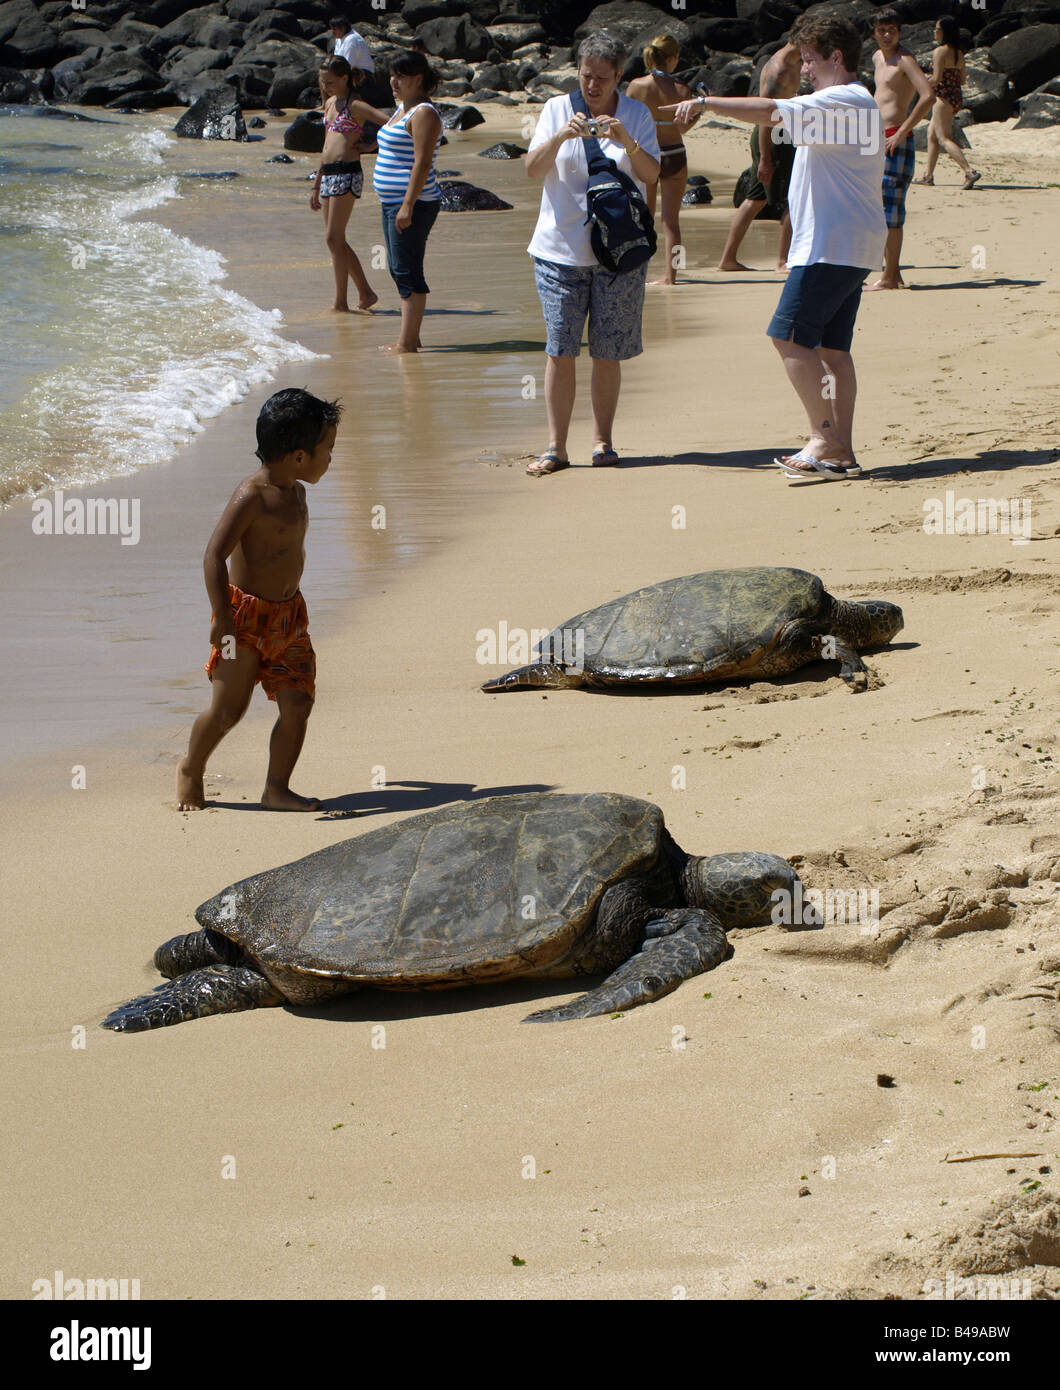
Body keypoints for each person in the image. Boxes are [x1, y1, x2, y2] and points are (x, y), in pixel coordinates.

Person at [666, 16, 885, 482]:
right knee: (832, 349)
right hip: (850, 243)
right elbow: (779, 109)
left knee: (787, 336)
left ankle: (823, 437)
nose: (804, 69)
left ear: (836, 58)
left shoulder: (843, 98)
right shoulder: (855, 102)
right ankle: (840, 453)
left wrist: (705, 101)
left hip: (831, 244)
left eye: (809, 60)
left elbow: (771, 109)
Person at [176, 389, 341, 813]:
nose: (331, 459)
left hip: (290, 618)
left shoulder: (297, 490)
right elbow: (214, 555)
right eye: (328, 450)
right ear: (299, 456)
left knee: (298, 702)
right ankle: (191, 770)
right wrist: (221, 618)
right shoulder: (252, 495)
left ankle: (276, 788)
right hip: (242, 621)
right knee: (229, 710)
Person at [524, 31, 660, 475]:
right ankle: (556, 447)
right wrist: (561, 136)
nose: (593, 86)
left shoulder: (636, 114)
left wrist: (627, 141)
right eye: (586, 76)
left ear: (620, 75)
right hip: (558, 252)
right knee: (560, 349)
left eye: (602, 78)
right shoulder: (556, 109)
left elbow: (653, 174)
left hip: (619, 254)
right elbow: (531, 170)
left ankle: (603, 442)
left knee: (607, 352)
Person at [354, 52, 443, 354]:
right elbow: (394, 141)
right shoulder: (402, 109)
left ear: (418, 79)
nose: (393, 81)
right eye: (392, 75)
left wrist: (407, 204)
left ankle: (407, 344)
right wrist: (370, 146)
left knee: (406, 270)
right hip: (393, 202)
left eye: (400, 76)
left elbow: (422, 161)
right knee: (397, 267)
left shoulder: (424, 113)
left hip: (413, 204)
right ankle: (410, 337)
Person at [716, 38, 801, 273]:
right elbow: (764, 115)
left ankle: (728, 259)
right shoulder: (780, 69)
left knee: (755, 199)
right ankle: (782, 261)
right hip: (773, 138)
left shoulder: (796, 63)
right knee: (790, 198)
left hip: (782, 136)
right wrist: (764, 158)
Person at [867, 9, 935, 290]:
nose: (886, 34)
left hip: (896, 140)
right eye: (881, 29)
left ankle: (890, 276)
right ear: (874, 31)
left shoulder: (905, 60)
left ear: (900, 31)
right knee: (878, 208)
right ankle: (890, 272)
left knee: (891, 211)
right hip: (877, 140)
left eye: (892, 29)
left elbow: (928, 96)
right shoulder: (876, 57)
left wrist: (903, 132)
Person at [309, 58, 378, 313]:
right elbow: (326, 147)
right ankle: (366, 294)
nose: (325, 86)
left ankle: (341, 302)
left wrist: (372, 145)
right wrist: (316, 184)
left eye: (330, 81)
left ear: (345, 78)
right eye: (323, 81)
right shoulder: (330, 103)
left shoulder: (355, 104)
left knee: (333, 237)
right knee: (334, 240)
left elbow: (391, 121)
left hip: (347, 173)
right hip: (328, 174)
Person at [625, 33, 691, 286]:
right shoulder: (682, 90)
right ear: (673, 58)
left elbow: (627, 122)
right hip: (675, 153)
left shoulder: (636, 87)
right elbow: (681, 129)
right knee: (671, 222)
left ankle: (637, 271)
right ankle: (671, 277)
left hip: (648, 154)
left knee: (645, 216)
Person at [917, 16, 981, 189]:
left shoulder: (940, 52)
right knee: (932, 135)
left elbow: (936, 79)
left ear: (944, 31)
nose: (934, 31)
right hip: (955, 98)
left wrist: (920, 82)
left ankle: (969, 171)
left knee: (944, 138)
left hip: (942, 98)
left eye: (937, 28)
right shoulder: (958, 53)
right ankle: (927, 176)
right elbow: (962, 80)